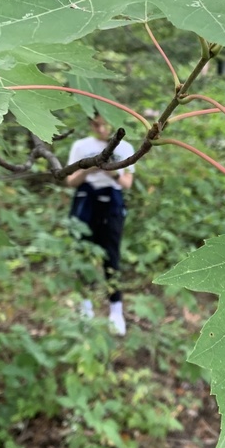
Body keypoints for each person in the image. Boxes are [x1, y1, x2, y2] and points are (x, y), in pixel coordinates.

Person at [65, 114, 135, 336]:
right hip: (86, 200)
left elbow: (127, 184)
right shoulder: (81, 146)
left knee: (111, 255)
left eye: (105, 123)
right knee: (83, 252)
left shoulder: (125, 148)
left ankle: (116, 310)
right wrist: (89, 169)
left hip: (111, 203)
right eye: (96, 124)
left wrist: (112, 172)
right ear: (90, 124)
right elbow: (70, 180)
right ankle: (85, 306)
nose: (102, 128)